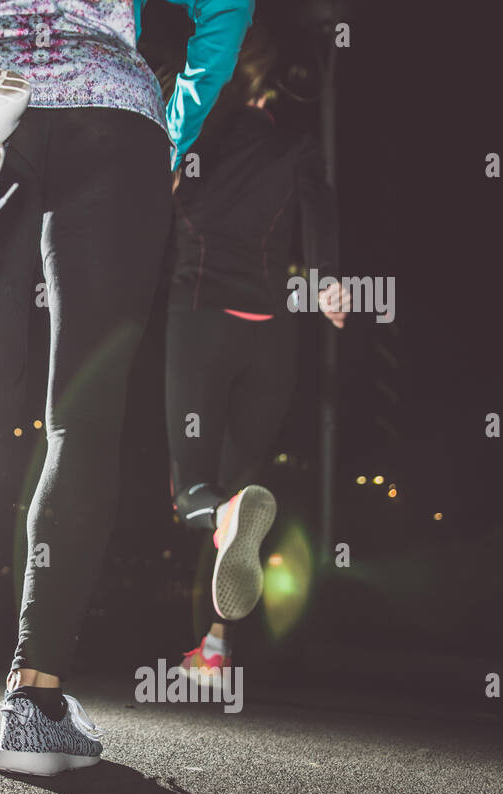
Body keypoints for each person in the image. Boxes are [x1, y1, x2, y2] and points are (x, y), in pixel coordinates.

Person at [0, 0, 252, 775]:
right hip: (113, 114)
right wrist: (173, 124)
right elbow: (226, 11)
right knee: (82, 416)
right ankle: (34, 709)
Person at [159, 22, 348, 681]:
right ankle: (212, 648)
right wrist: (327, 281)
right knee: (237, 491)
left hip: (203, 317)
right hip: (274, 335)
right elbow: (319, 206)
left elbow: (151, 200)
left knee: (196, 493)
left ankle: (220, 517)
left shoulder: (191, 131)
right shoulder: (296, 143)